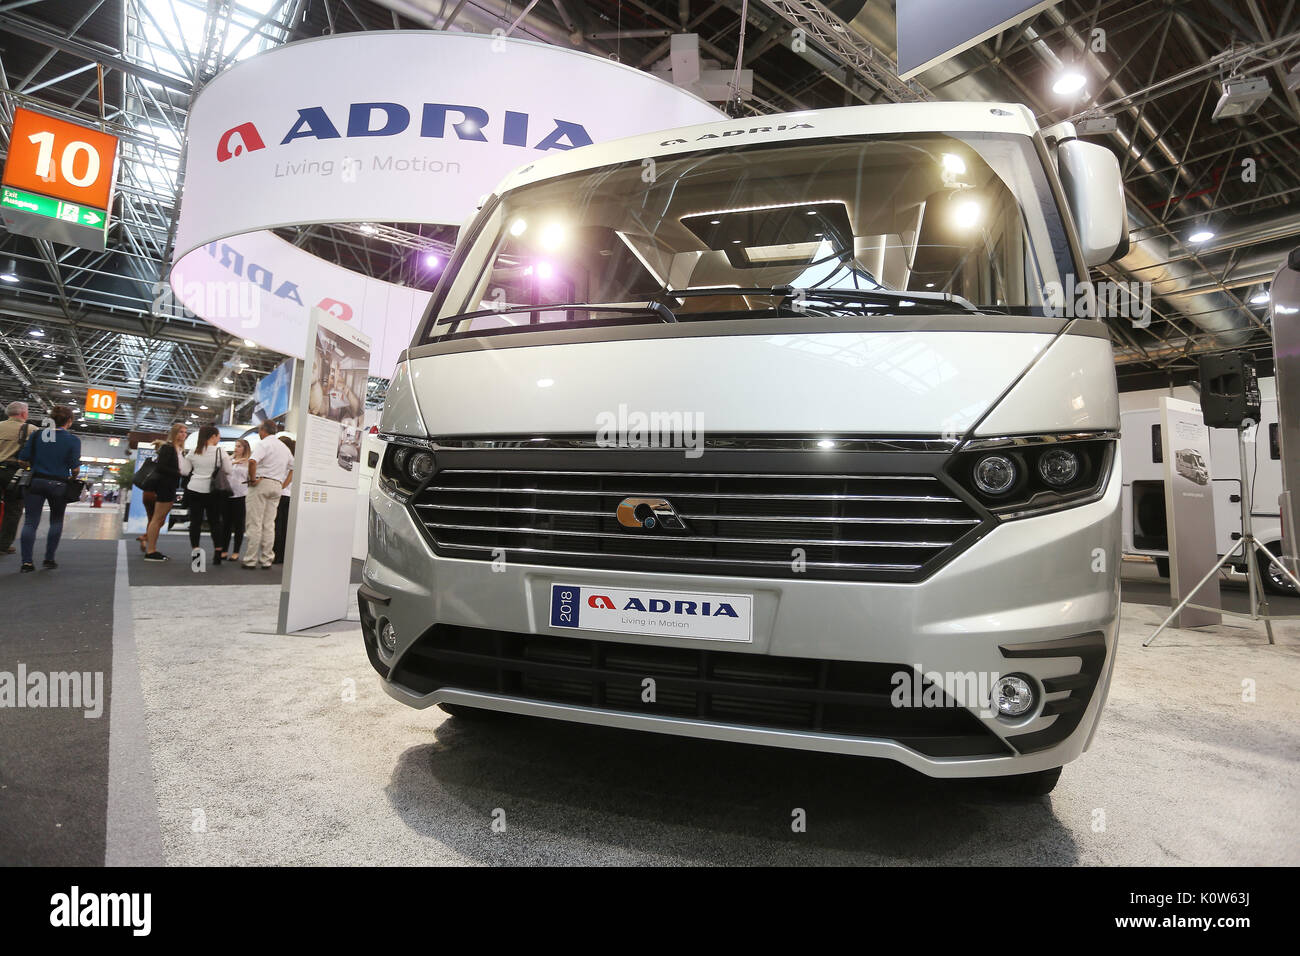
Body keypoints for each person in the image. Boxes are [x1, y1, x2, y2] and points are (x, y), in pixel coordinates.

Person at [15, 404, 81, 572]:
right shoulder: (73, 440)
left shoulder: (37, 435)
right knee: (56, 521)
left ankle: (27, 563)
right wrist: (72, 478)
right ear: (69, 421)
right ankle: (49, 559)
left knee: (30, 522)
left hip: (35, 481)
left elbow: (22, 459)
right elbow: (75, 468)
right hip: (59, 484)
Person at [243, 421, 292, 569]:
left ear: (263, 430)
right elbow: (293, 468)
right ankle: (266, 559)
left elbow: (252, 461)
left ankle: (250, 559)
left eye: (259, 430)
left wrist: (252, 479)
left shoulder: (264, 444)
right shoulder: (283, 447)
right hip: (276, 485)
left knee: (255, 522)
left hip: (261, 483)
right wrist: (282, 484)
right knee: (269, 524)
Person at [184, 424, 232, 564]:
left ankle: (196, 553)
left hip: (194, 489)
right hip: (213, 491)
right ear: (212, 436)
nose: (219, 438)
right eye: (218, 436)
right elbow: (228, 470)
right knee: (215, 522)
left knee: (195, 522)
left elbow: (186, 471)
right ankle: (217, 553)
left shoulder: (193, 452)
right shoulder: (220, 451)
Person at [143, 423, 190, 562]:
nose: (183, 434)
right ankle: (151, 551)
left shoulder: (179, 449)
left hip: (170, 486)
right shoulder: (168, 448)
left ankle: (152, 548)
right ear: (175, 433)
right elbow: (161, 467)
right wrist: (178, 473)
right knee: (157, 519)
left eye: (185, 432)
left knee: (160, 519)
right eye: (181, 432)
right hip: (164, 486)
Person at [0, 400, 33, 556]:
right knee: (13, 509)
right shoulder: (31, 430)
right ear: (23, 413)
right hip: (15, 472)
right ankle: (4, 544)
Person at [220, 439, 252, 562]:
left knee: (239, 525)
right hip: (227, 494)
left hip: (241, 495)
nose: (236, 448)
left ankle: (236, 551)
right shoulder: (229, 459)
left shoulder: (249, 462)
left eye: (239, 446)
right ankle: (224, 550)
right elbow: (221, 471)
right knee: (225, 524)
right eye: (236, 446)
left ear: (245, 448)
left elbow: (251, 477)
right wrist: (234, 462)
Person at [135, 439, 164, 553]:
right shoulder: (164, 464)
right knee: (158, 521)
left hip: (146, 494)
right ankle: (147, 538)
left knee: (151, 520)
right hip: (156, 494)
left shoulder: (152, 462)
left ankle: (147, 541)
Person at [272, 435, 296, 564]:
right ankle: (281, 555)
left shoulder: (285, 459)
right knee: (284, 527)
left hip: (282, 495)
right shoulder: (292, 458)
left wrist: (282, 486)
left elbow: (288, 476)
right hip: (288, 496)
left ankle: (277, 555)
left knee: (277, 526)